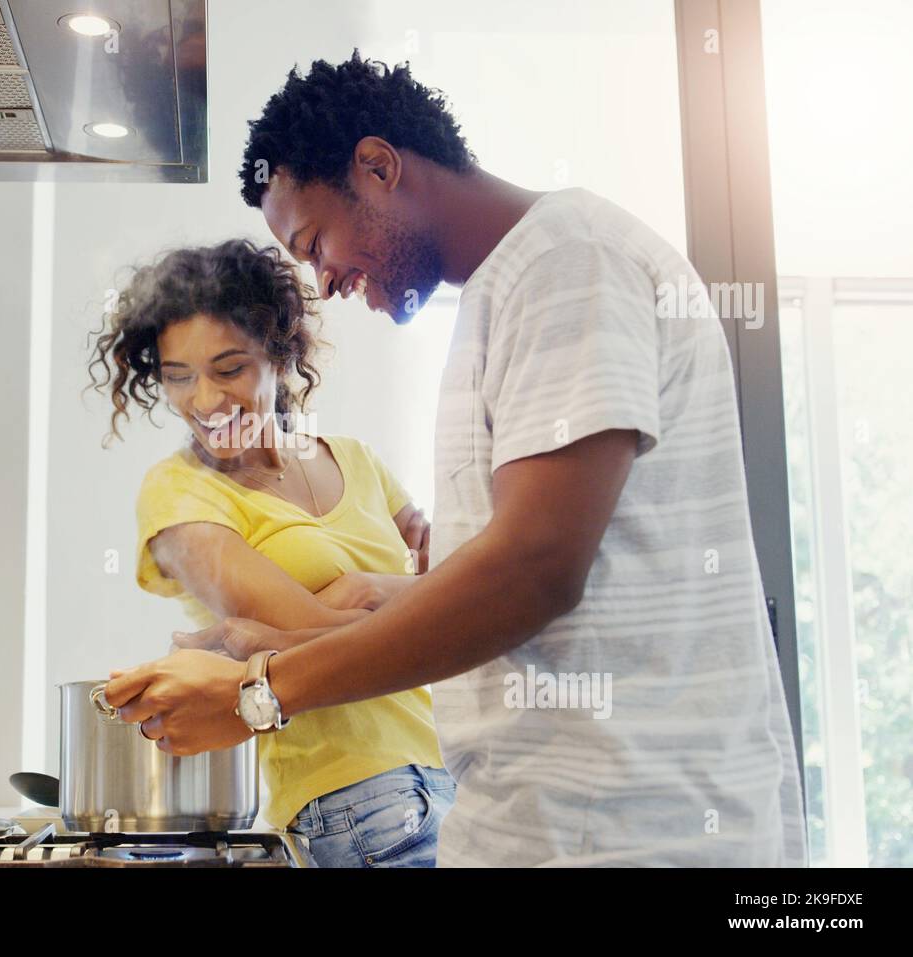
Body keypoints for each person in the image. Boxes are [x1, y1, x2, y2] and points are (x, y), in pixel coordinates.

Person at [104, 52, 806, 867]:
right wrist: (397, 593)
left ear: (378, 167)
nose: (323, 281)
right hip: (538, 821)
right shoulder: (503, 296)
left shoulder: (565, 263)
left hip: (628, 829)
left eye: (315, 240)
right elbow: (519, 570)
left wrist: (259, 691)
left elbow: (535, 568)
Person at [87, 238, 456, 866]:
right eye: (178, 377)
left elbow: (467, 600)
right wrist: (416, 611)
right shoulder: (177, 492)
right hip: (354, 800)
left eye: (229, 369)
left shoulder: (357, 459)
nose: (203, 402)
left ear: (280, 356)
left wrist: (361, 596)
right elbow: (426, 627)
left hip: (458, 771)